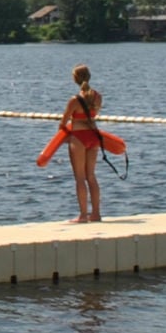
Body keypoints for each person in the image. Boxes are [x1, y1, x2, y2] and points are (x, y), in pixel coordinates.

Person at [62, 63, 103, 224]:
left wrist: (63, 136)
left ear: (75, 79)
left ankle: (83, 215)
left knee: (79, 177)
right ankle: (96, 213)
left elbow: (64, 121)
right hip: (94, 136)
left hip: (78, 137)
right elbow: (94, 115)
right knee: (91, 176)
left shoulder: (74, 100)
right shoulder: (98, 96)